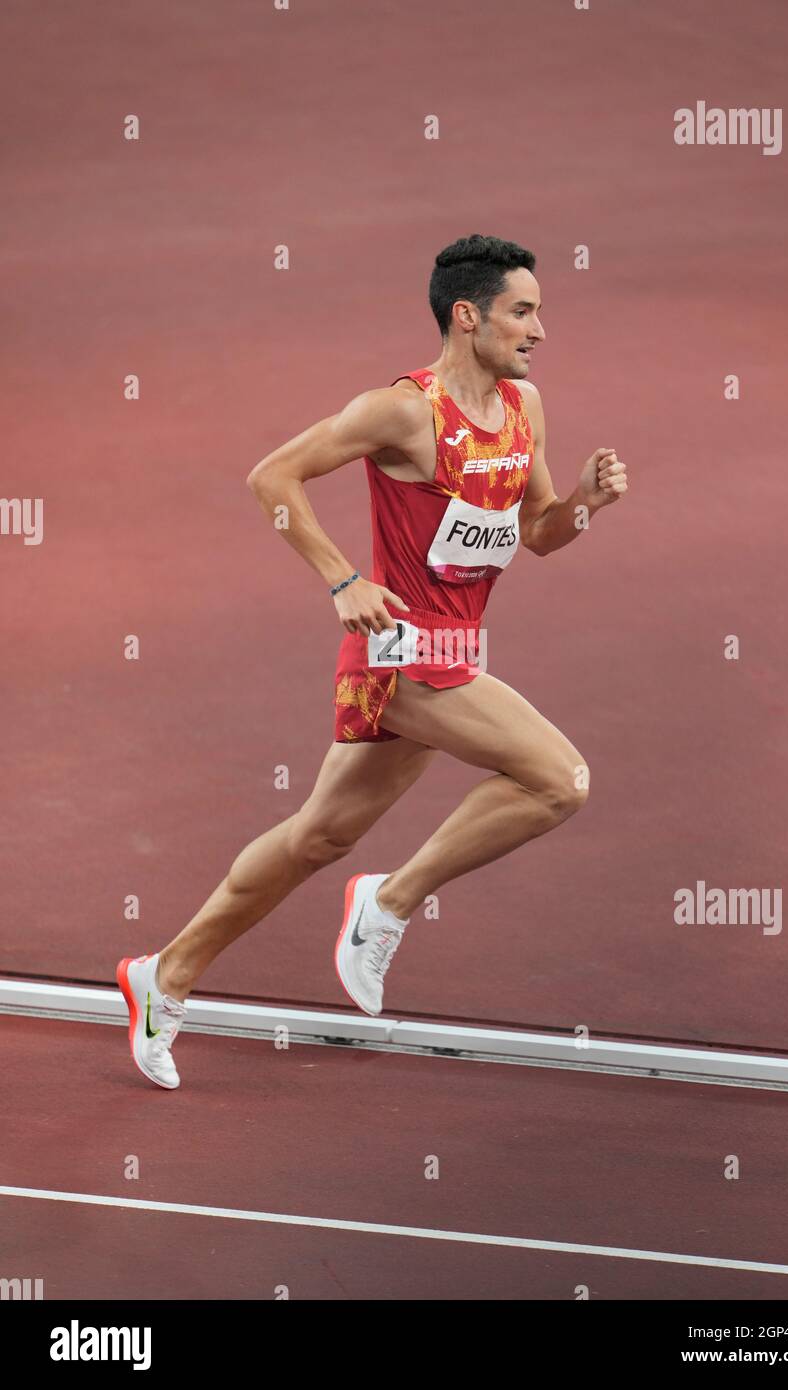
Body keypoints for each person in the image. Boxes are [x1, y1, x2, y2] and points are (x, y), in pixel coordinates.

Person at [116, 233, 628, 1089]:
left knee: (316, 836)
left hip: (457, 646)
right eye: (523, 312)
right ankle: (387, 903)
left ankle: (161, 977)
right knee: (558, 779)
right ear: (468, 316)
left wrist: (585, 505)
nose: (540, 331)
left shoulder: (526, 408)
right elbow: (271, 478)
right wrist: (342, 577)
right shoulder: (402, 411)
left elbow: (537, 536)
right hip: (398, 649)